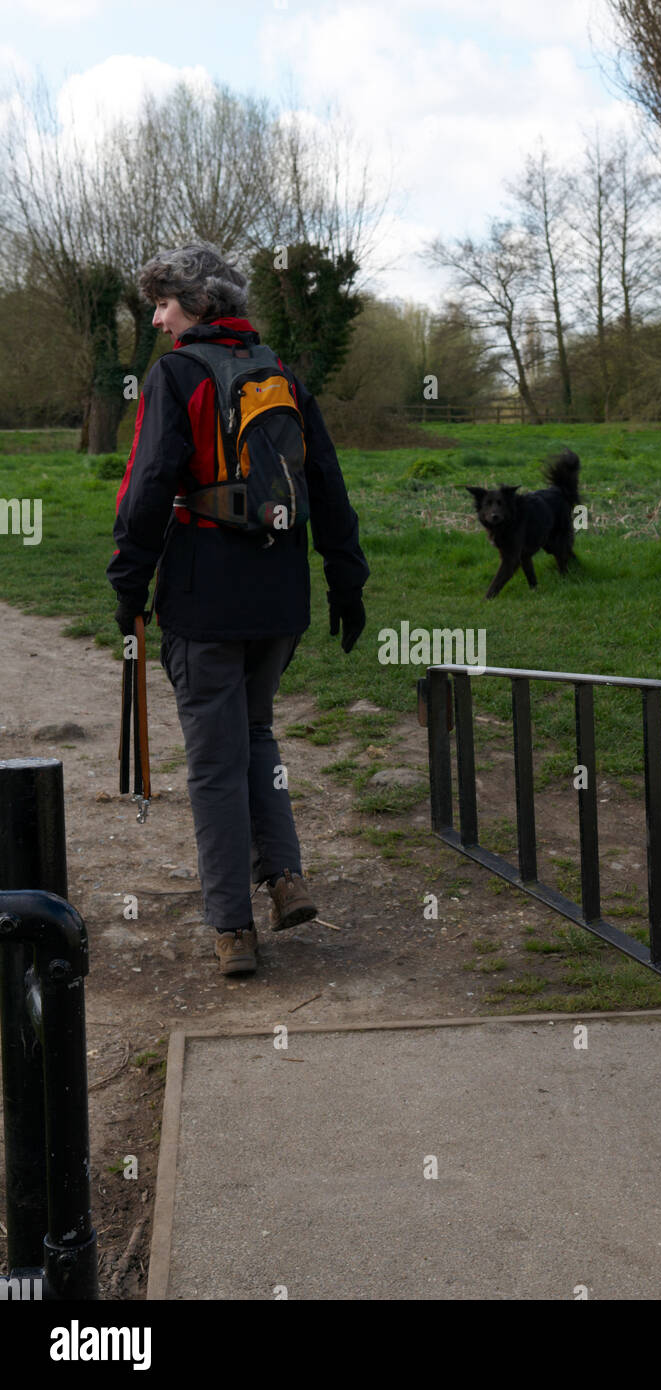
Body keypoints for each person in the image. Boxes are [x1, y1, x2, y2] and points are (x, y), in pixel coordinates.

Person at [107, 243, 369, 977]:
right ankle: (283, 878)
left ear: (197, 304)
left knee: (214, 765)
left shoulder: (177, 373)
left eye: (163, 302)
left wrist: (128, 583)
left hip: (206, 595)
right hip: (281, 594)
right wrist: (346, 582)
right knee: (254, 736)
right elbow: (329, 482)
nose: (157, 318)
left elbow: (148, 484)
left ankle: (231, 928)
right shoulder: (280, 371)